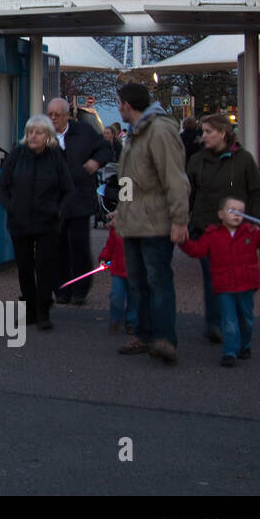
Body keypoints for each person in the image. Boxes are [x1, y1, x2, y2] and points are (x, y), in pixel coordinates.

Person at [113, 82, 190, 364]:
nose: (118, 108)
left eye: (119, 103)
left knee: (158, 281)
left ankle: (165, 338)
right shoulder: (135, 134)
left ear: (126, 105)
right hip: (134, 222)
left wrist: (179, 219)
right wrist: (121, 211)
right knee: (138, 283)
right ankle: (144, 334)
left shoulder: (159, 131)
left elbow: (175, 178)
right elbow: (126, 180)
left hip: (155, 222)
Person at [186, 113, 260, 345]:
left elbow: (257, 192)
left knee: (238, 280)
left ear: (223, 133)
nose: (203, 136)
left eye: (208, 132)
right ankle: (216, 324)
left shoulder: (243, 160)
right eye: (202, 131)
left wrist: (257, 221)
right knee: (213, 278)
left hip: (237, 232)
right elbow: (189, 193)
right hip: (207, 229)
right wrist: (183, 219)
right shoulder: (197, 160)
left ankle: (236, 322)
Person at [179, 197, 260, 367]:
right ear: (220, 214)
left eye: (241, 212)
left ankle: (245, 345)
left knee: (246, 320)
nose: (237, 214)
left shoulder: (250, 232)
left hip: (246, 285)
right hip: (224, 287)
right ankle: (229, 352)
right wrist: (184, 242)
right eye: (232, 210)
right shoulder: (212, 236)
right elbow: (197, 250)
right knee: (229, 321)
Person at [0, 115, 73, 331]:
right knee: (24, 268)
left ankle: (43, 311)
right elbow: (2, 188)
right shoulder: (17, 156)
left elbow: (68, 191)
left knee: (44, 267)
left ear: (47, 136)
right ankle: (29, 311)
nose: (33, 136)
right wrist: (11, 207)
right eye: (30, 132)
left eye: (38, 133)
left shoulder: (56, 158)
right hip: (20, 222)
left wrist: (58, 211)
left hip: (47, 222)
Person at [46, 98, 113, 306]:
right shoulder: (44, 134)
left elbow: (105, 149)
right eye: (50, 114)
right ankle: (61, 290)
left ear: (67, 116)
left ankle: (80, 289)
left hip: (79, 199)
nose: (53, 118)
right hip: (54, 202)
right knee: (57, 247)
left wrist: (95, 161)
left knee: (79, 246)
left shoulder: (84, 132)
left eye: (57, 115)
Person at [99, 211, 136, 336]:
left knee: (134, 299)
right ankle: (115, 318)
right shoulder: (115, 230)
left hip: (135, 272)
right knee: (116, 296)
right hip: (118, 271)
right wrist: (104, 258)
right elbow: (109, 247)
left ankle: (131, 322)